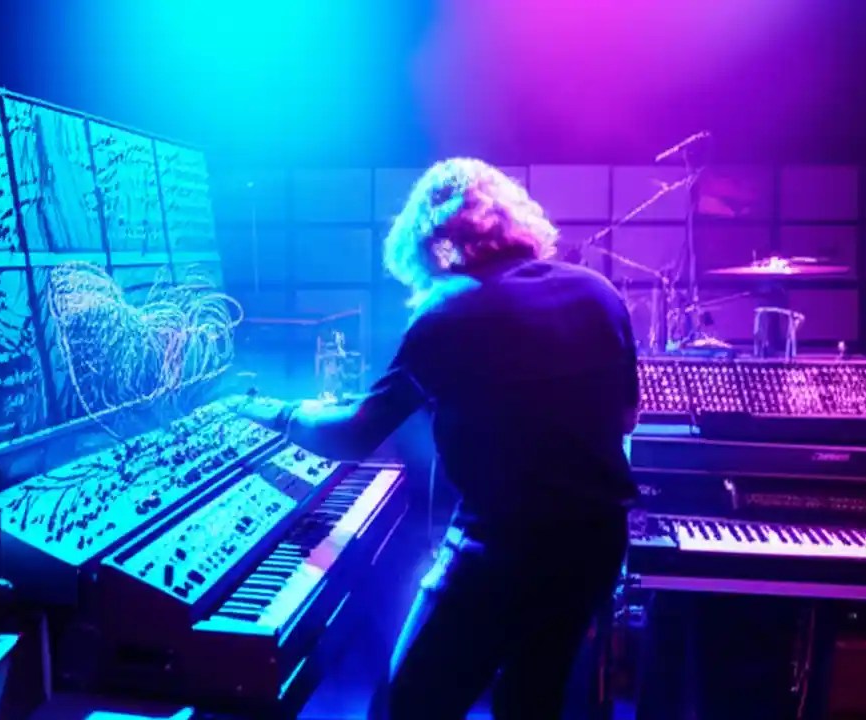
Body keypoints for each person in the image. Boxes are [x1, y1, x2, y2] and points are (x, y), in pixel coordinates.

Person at [231, 158, 640, 719]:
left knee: (408, 704)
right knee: (532, 701)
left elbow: (355, 434)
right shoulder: (598, 292)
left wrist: (278, 414)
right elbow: (626, 419)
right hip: (596, 544)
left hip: (501, 549)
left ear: (433, 242)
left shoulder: (450, 311)